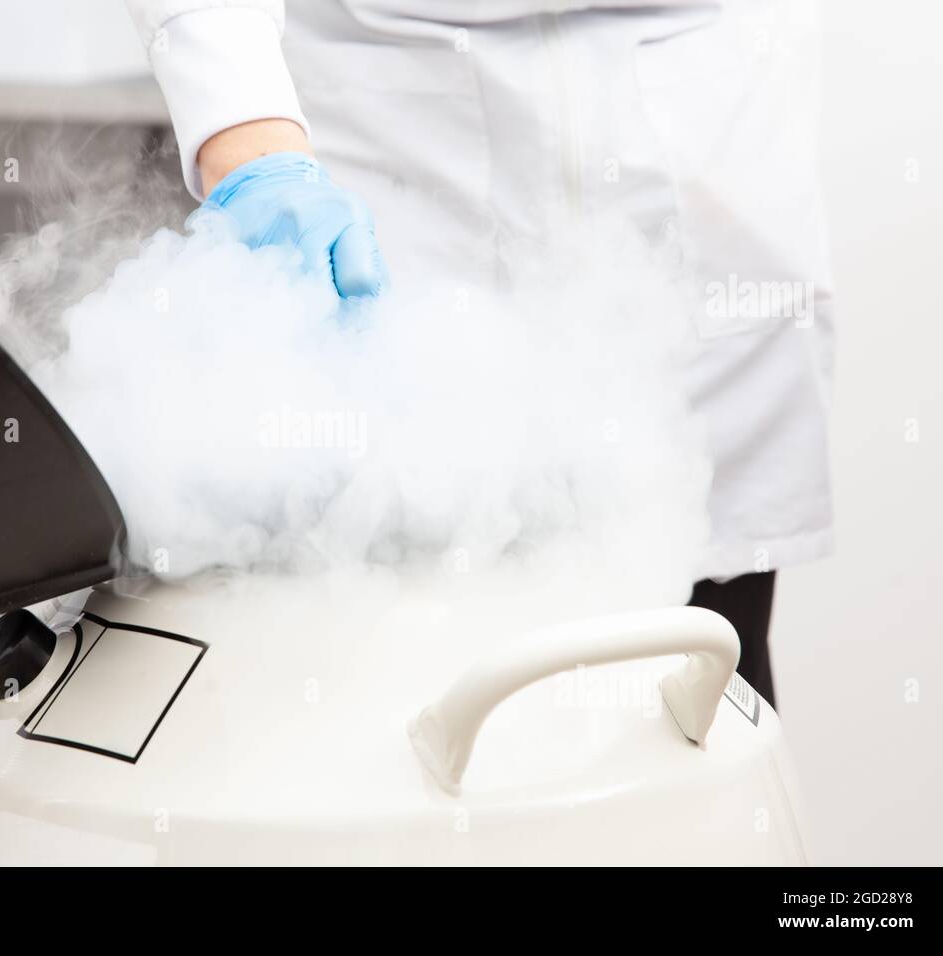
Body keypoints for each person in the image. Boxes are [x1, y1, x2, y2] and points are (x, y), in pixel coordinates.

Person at [123, 0, 834, 707]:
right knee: (403, 706)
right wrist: (251, 147)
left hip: (692, 127)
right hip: (403, 147)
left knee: (700, 705)